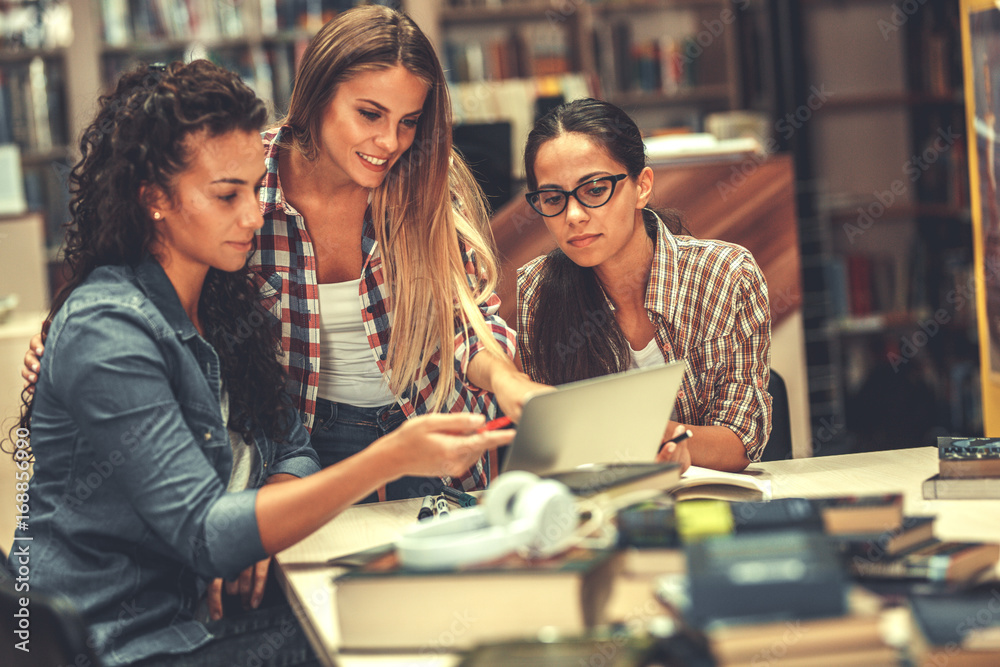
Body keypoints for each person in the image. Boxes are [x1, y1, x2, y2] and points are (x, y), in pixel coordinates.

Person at [6, 60, 514, 667]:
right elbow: (204, 534)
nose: (253, 215)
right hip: (111, 643)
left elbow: (292, 444)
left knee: (428, 620)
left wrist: (261, 517)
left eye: (254, 188)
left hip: (199, 623)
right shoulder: (109, 330)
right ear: (154, 199)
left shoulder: (221, 300)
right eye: (227, 195)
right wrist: (393, 456)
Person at [20, 5, 544, 500]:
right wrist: (69, 337)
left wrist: (506, 378)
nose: (390, 142)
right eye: (369, 114)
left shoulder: (424, 177)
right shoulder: (248, 182)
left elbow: (462, 317)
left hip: (431, 416)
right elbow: (159, 280)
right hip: (303, 438)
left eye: (408, 121)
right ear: (317, 96)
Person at [516, 98, 772, 472]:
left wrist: (669, 443)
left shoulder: (726, 275)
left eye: (594, 190)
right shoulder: (537, 289)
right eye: (553, 198)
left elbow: (740, 440)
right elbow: (549, 448)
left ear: (642, 186)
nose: (573, 216)